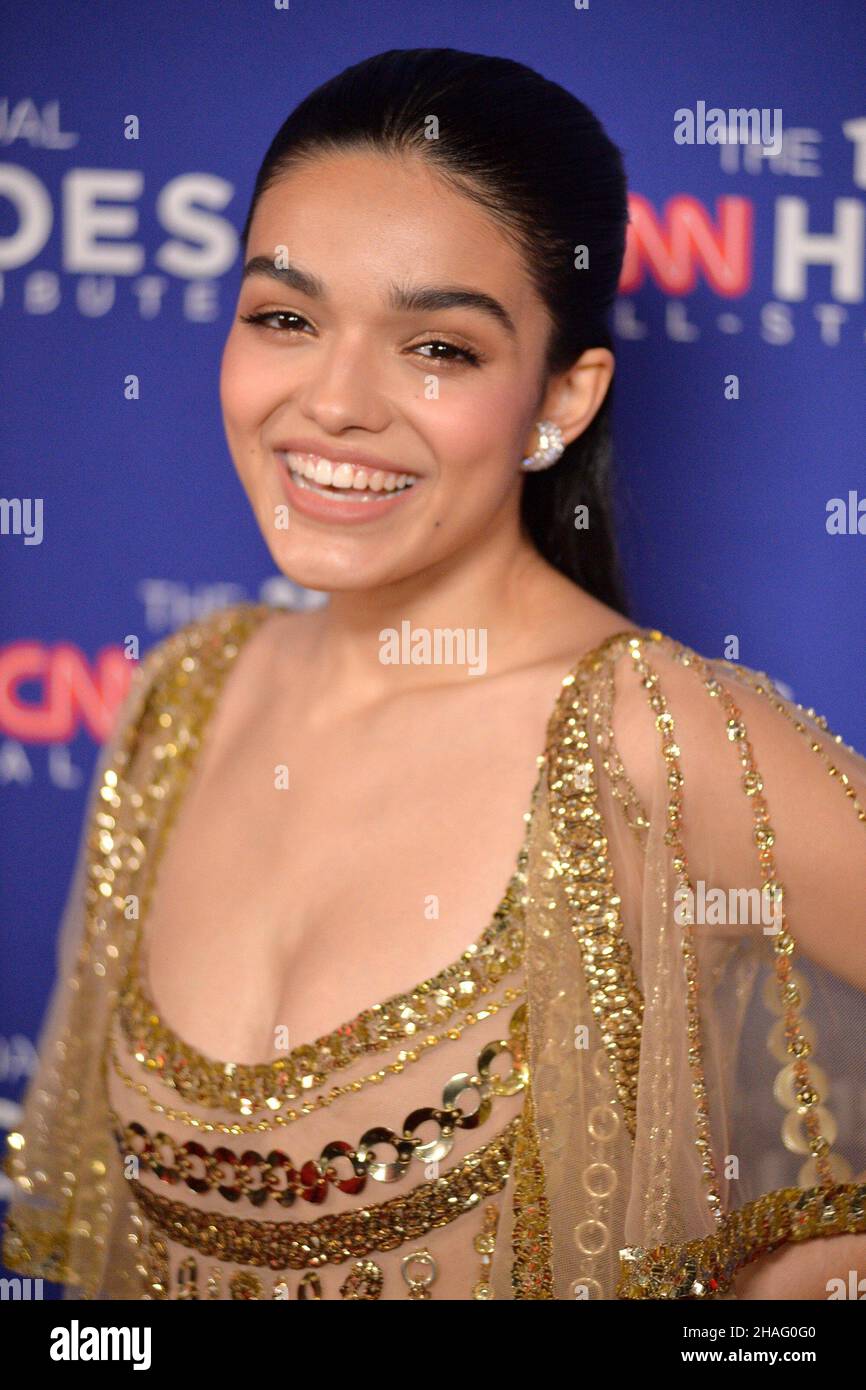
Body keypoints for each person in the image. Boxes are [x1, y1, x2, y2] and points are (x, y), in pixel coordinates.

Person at [3, 48, 865, 1302]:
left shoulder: (657, 730)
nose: (334, 402)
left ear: (556, 403)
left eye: (439, 348)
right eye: (283, 318)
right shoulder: (181, 699)